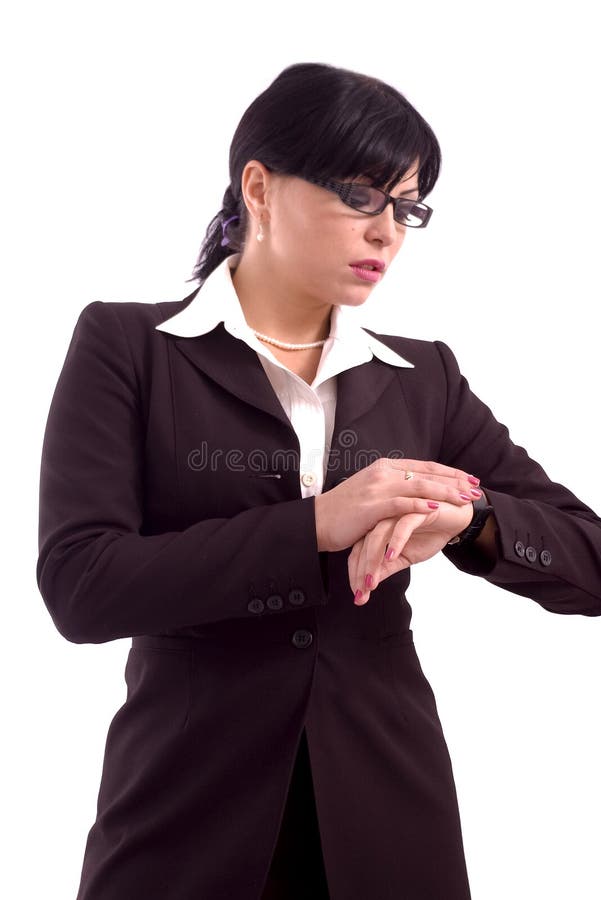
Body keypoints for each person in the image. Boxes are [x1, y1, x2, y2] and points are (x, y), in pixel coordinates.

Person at [36, 61, 601, 900]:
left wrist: (470, 521)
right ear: (258, 188)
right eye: (360, 196)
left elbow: (589, 559)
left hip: (390, 823)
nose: (387, 233)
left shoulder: (423, 378)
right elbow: (81, 586)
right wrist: (315, 527)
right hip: (183, 823)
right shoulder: (130, 349)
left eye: (406, 207)